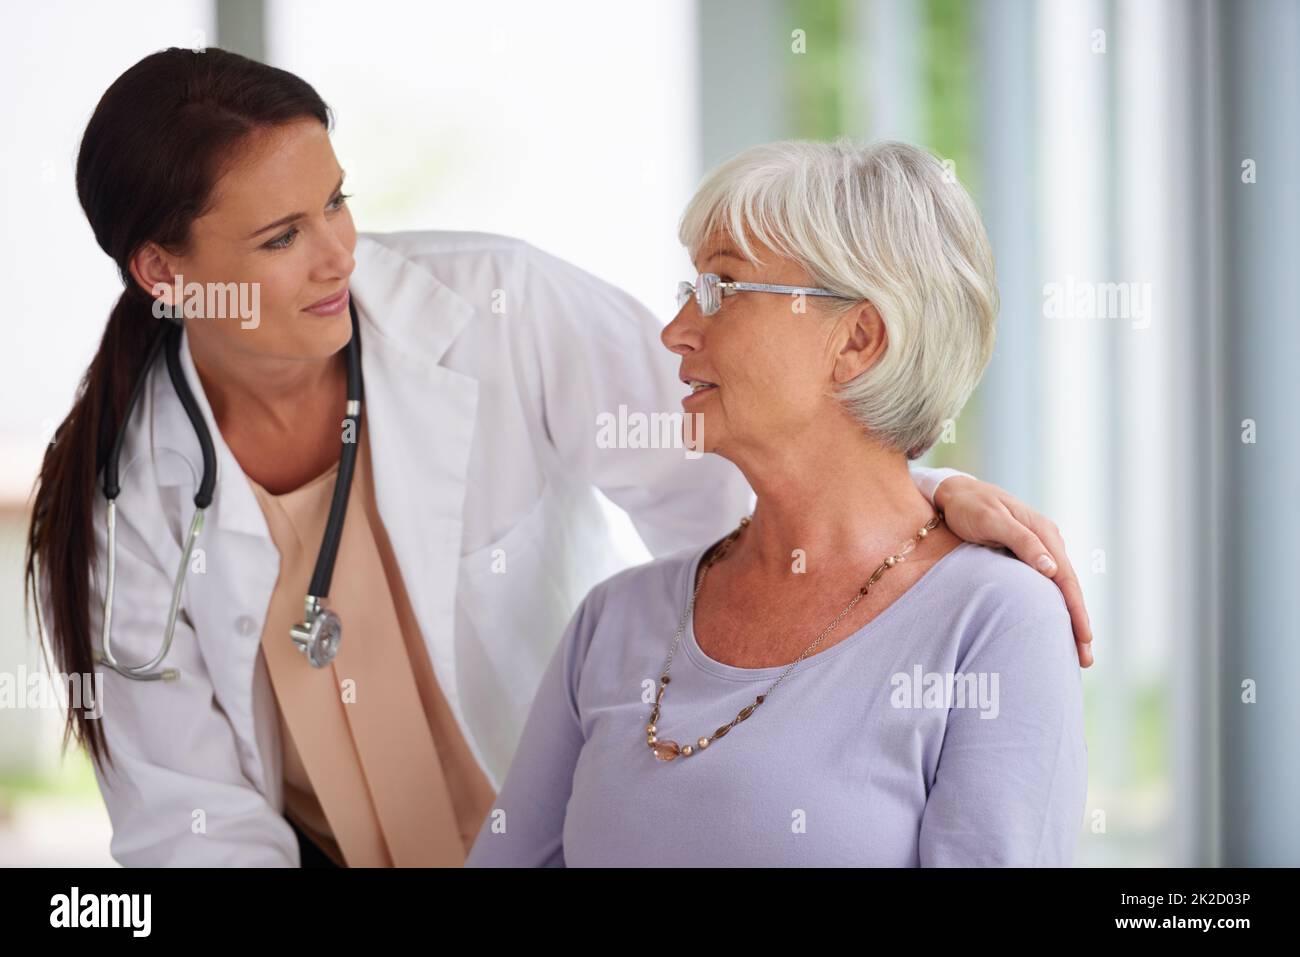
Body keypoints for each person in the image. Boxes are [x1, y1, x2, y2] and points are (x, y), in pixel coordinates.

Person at [26, 49, 1092, 867]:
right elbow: (187, 822)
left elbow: (753, 461)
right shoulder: (122, 501)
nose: (338, 254)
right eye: (278, 238)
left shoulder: (499, 308)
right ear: (165, 272)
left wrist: (928, 506)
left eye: (338, 202)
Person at [466, 140, 1087, 867]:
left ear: (857, 339)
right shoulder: (615, 619)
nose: (674, 333)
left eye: (720, 290)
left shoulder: (995, 621)